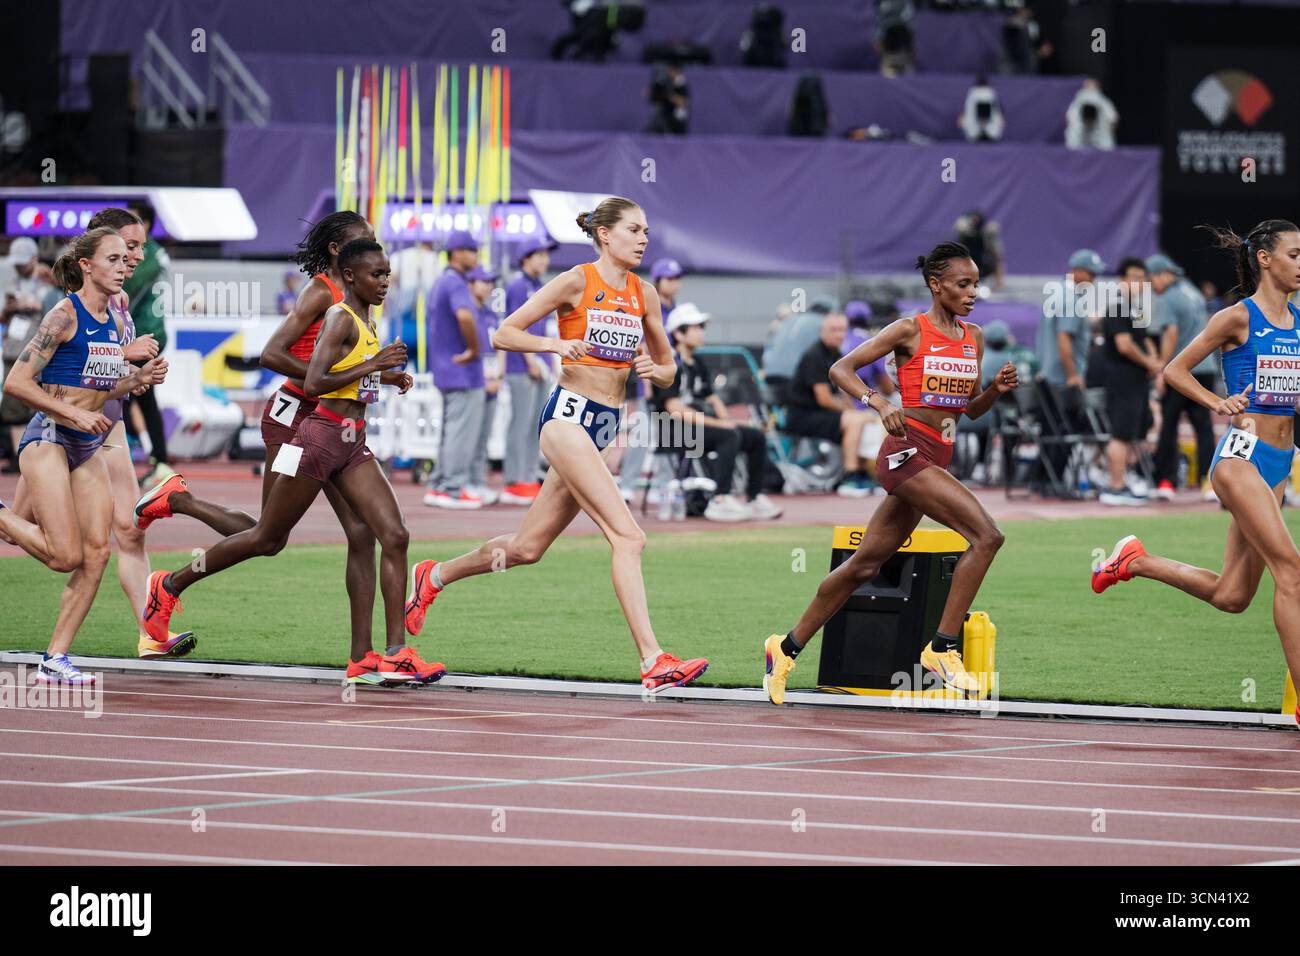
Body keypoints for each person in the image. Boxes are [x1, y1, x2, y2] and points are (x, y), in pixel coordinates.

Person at [404, 196, 709, 693]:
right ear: (605, 235)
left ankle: (432, 576)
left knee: (526, 549)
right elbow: (504, 333)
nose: (643, 239)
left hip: (604, 426)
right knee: (629, 537)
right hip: (566, 420)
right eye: (634, 230)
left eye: (647, 231)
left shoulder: (645, 294)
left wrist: (662, 370)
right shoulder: (575, 281)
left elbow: (670, 365)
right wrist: (553, 344)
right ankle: (653, 660)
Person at [138, 239, 443, 685]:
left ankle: (387, 656)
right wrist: (371, 365)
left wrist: (383, 374)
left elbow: (348, 371)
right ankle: (170, 583)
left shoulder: (364, 314)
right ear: (349, 270)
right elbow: (316, 381)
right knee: (266, 536)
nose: (385, 281)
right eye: (377, 274)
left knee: (389, 534)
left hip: (351, 441)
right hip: (315, 437)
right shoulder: (334, 309)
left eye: (387, 273)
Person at [763, 241, 1019, 705]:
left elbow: (972, 411)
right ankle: (942, 647)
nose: (973, 292)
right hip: (905, 455)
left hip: (936, 457)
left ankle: (784, 647)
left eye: (976, 283)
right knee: (987, 536)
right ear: (935, 286)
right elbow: (841, 367)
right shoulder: (908, 330)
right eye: (963, 284)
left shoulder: (973, 337)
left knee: (864, 564)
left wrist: (997, 391)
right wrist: (878, 401)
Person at [1094, 220, 1300, 722]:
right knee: (1291, 571)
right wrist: (1218, 402)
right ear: (1266, 260)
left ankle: (1134, 561)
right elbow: (1175, 369)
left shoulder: (1297, 320)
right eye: (1296, 254)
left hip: (1278, 464)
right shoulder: (1237, 318)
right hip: (1240, 459)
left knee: (1232, 596)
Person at [0, 208, 194, 658]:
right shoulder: (70, 308)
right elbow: (53, 371)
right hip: (59, 427)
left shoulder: (118, 307)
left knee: (121, 534)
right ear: (95, 253)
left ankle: (142, 634)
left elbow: (104, 373)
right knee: (33, 536)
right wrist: (125, 356)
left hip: (104, 425)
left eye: (138, 250)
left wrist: (138, 377)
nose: (134, 258)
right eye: (127, 249)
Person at [652, 302, 782, 522]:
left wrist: (727, 420)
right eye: (696, 327)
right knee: (728, 435)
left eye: (702, 327)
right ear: (679, 333)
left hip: (699, 427)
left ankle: (754, 497)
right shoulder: (668, 363)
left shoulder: (698, 362)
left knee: (755, 436)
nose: (701, 332)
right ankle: (720, 499)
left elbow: (712, 397)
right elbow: (673, 408)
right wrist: (720, 425)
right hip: (673, 431)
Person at [1147, 254, 1219, 501]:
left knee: (1169, 426)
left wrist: (1161, 368)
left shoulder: (1168, 297)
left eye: (1151, 279)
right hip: (1206, 367)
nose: (1152, 286)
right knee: (1204, 429)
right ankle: (1209, 482)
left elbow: (1170, 334)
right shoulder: (1193, 292)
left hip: (1181, 372)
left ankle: (1166, 481)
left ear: (1163, 274)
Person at [424, 230, 486, 509]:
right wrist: (474, 349)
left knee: (451, 432)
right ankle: (451, 488)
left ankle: (439, 485)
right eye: (472, 251)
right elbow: (464, 316)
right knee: (460, 432)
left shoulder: (441, 282)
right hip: (462, 370)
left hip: (446, 368)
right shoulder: (457, 283)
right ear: (457, 252)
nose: (475, 256)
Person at [1033, 248, 1104, 494]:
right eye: (1092, 275)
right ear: (1078, 272)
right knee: (1064, 431)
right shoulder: (1072, 298)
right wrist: (1073, 375)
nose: (1094, 281)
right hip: (1063, 379)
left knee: (1050, 430)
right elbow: (1064, 339)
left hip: (1047, 375)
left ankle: (1041, 482)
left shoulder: (1057, 294)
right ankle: (1054, 484)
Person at [785, 312, 877, 497]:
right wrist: (852, 415)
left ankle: (863, 473)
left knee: (868, 420)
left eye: (842, 330)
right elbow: (824, 399)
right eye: (833, 330)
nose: (838, 334)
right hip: (802, 416)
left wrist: (854, 411)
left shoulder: (836, 354)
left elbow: (843, 391)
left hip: (821, 414)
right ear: (822, 332)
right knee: (855, 421)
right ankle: (850, 477)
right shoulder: (815, 355)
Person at [120, 202, 174, 488]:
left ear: (149, 224)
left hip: (146, 335)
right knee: (139, 397)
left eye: (135, 220)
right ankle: (157, 458)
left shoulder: (151, 254)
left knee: (130, 396)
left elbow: (127, 285)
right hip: (136, 335)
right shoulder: (144, 252)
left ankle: (151, 459)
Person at [500, 237, 557, 506]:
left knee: (536, 425)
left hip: (540, 363)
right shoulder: (518, 285)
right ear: (525, 258)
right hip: (521, 365)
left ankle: (528, 476)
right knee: (520, 423)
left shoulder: (539, 286)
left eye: (546, 255)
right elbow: (511, 327)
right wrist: (531, 359)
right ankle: (514, 480)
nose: (545, 260)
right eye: (539, 255)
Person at [1099, 257, 1160, 506]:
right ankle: (1115, 487)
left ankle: (1128, 479)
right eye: (1135, 278)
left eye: (1143, 278)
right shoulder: (1117, 308)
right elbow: (1124, 346)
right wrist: (1150, 363)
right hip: (1122, 380)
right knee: (1120, 435)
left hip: (1138, 382)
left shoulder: (1135, 309)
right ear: (1122, 279)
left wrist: (1155, 361)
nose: (1141, 283)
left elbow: (1144, 340)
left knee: (1136, 432)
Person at [2, 237, 44, 472]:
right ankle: (20, 459)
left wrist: (36, 304)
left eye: (23, 263)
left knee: (38, 409)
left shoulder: (48, 284)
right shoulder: (11, 285)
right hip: (12, 352)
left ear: (34, 259)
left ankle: (38, 456)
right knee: (13, 411)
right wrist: (10, 308)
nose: (19, 267)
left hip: (38, 356)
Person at [466, 263, 502, 506]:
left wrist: (498, 376)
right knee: (470, 433)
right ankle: (465, 482)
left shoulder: (490, 313)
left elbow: (500, 347)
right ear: (471, 283)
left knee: (483, 435)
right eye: (483, 281)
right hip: (473, 379)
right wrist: (484, 377)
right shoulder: (467, 312)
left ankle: (477, 481)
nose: (488, 286)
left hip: (491, 378)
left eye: (491, 282)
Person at [1065, 79, 1119, 151]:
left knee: (1107, 142)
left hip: (1099, 132)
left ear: (1097, 87)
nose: (1090, 88)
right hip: (1080, 131)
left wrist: (1108, 128)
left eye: (1092, 86)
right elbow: (1069, 118)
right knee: (1071, 134)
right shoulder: (1078, 101)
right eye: (1088, 86)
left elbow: (1113, 118)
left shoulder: (1103, 101)